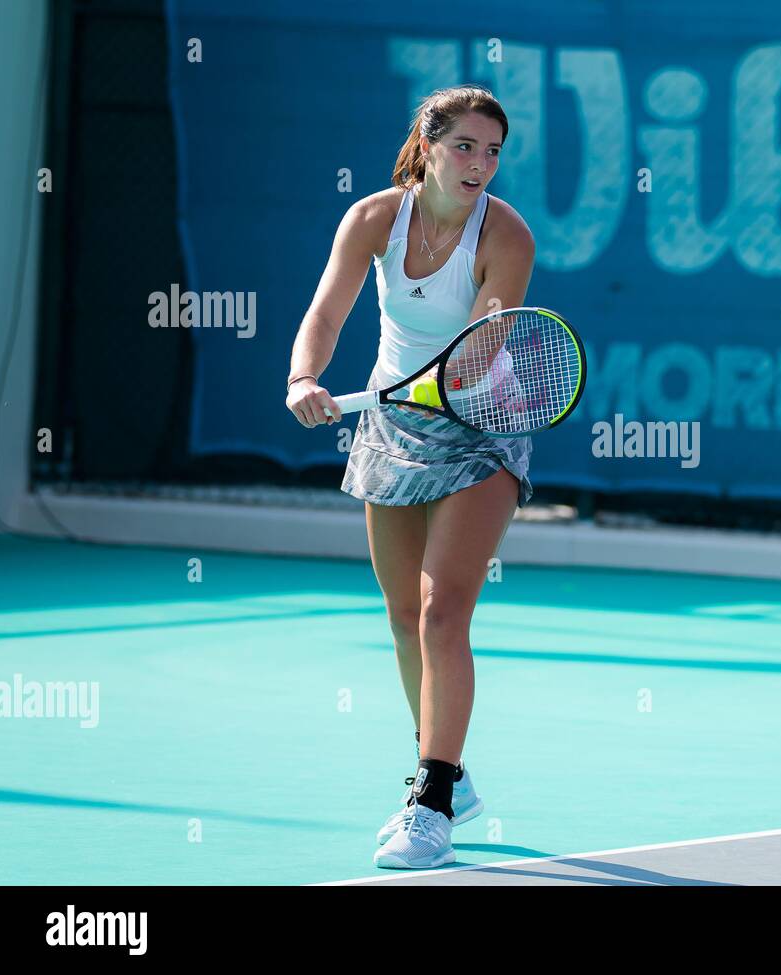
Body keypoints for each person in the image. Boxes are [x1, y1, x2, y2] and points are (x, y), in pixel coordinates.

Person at [285, 85, 536, 869]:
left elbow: (477, 353)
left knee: (440, 610)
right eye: (465, 146)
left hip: (480, 424)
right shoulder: (372, 220)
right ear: (426, 145)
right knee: (400, 615)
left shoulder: (508, 235)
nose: (480, 164)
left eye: (492, 152)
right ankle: (449, 768)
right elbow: (326, 313)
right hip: (392, 423)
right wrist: (305, 379)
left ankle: (430, 802)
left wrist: (424, 388)